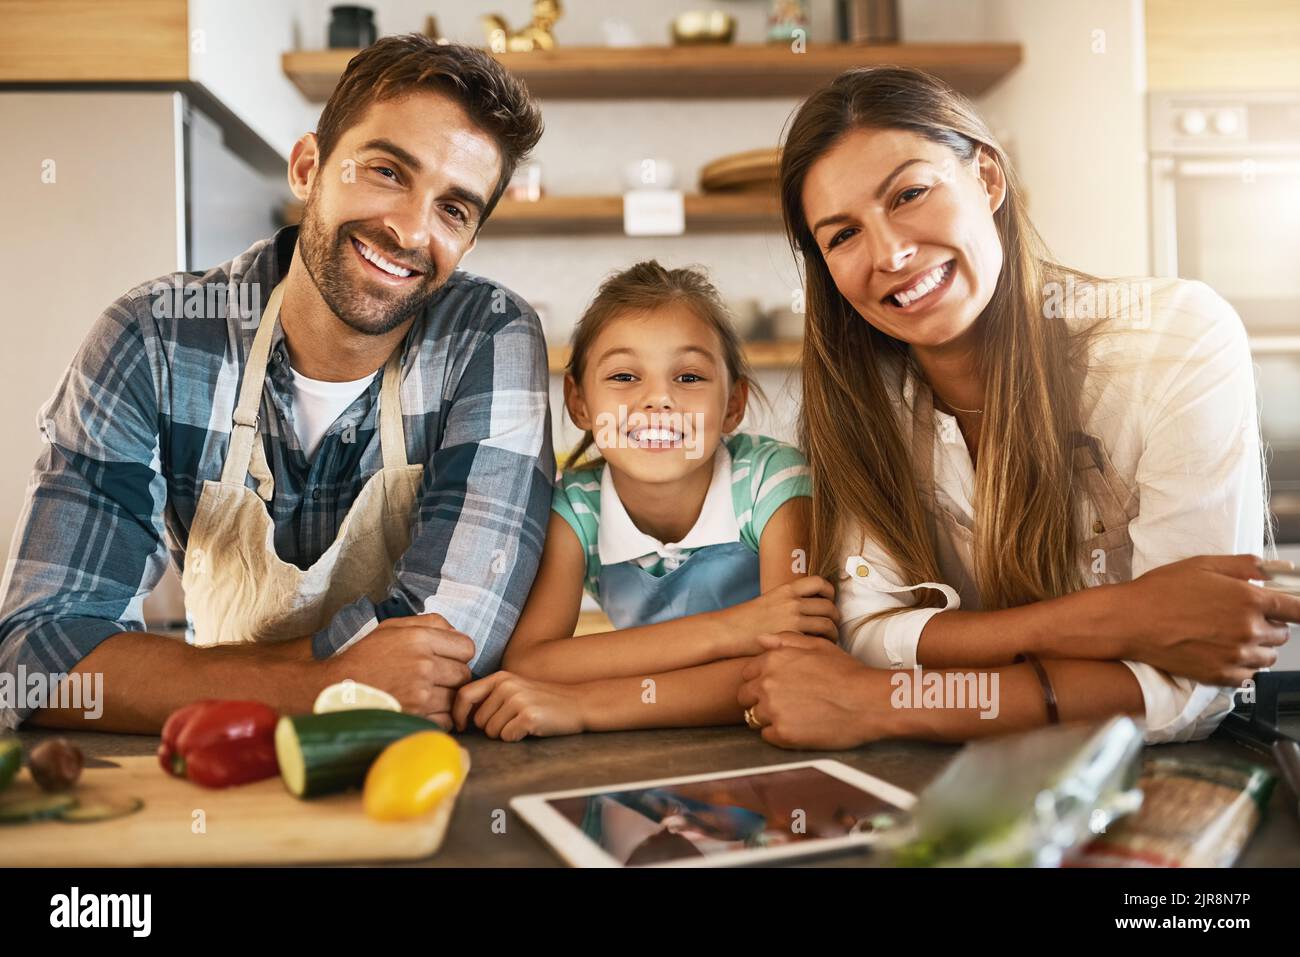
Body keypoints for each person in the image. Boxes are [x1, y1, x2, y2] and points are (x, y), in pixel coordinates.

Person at [0, 36, 554, 732]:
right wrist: (322, 684)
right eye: (387, 170)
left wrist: (193, 679)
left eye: (454, 209)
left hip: (406, 775)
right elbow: (36, 655)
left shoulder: (489, 335)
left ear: (469, 241)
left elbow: (444, 656)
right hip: (215, 753)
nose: (411, 229)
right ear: (307, 166)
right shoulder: (155, 336)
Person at [737, 66, 1299, 749]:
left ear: (988, 180)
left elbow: (1189, 686)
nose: (890, 252)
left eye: (909, 193)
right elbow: (869, 631)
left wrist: (881, 703)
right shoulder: (864, 402)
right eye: (843, 235)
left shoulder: (1175, 339)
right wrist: (1115, 618)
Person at [452, 261, 837, 740]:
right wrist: (732, 630)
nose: (658, 400)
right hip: (662, 739)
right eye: (624, 377)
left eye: (690, 377)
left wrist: (586, 704)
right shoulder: (576, 505)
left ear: (733, 404)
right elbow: (533, 660)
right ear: (578, 402)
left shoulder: (771, 480)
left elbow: (796, 671)